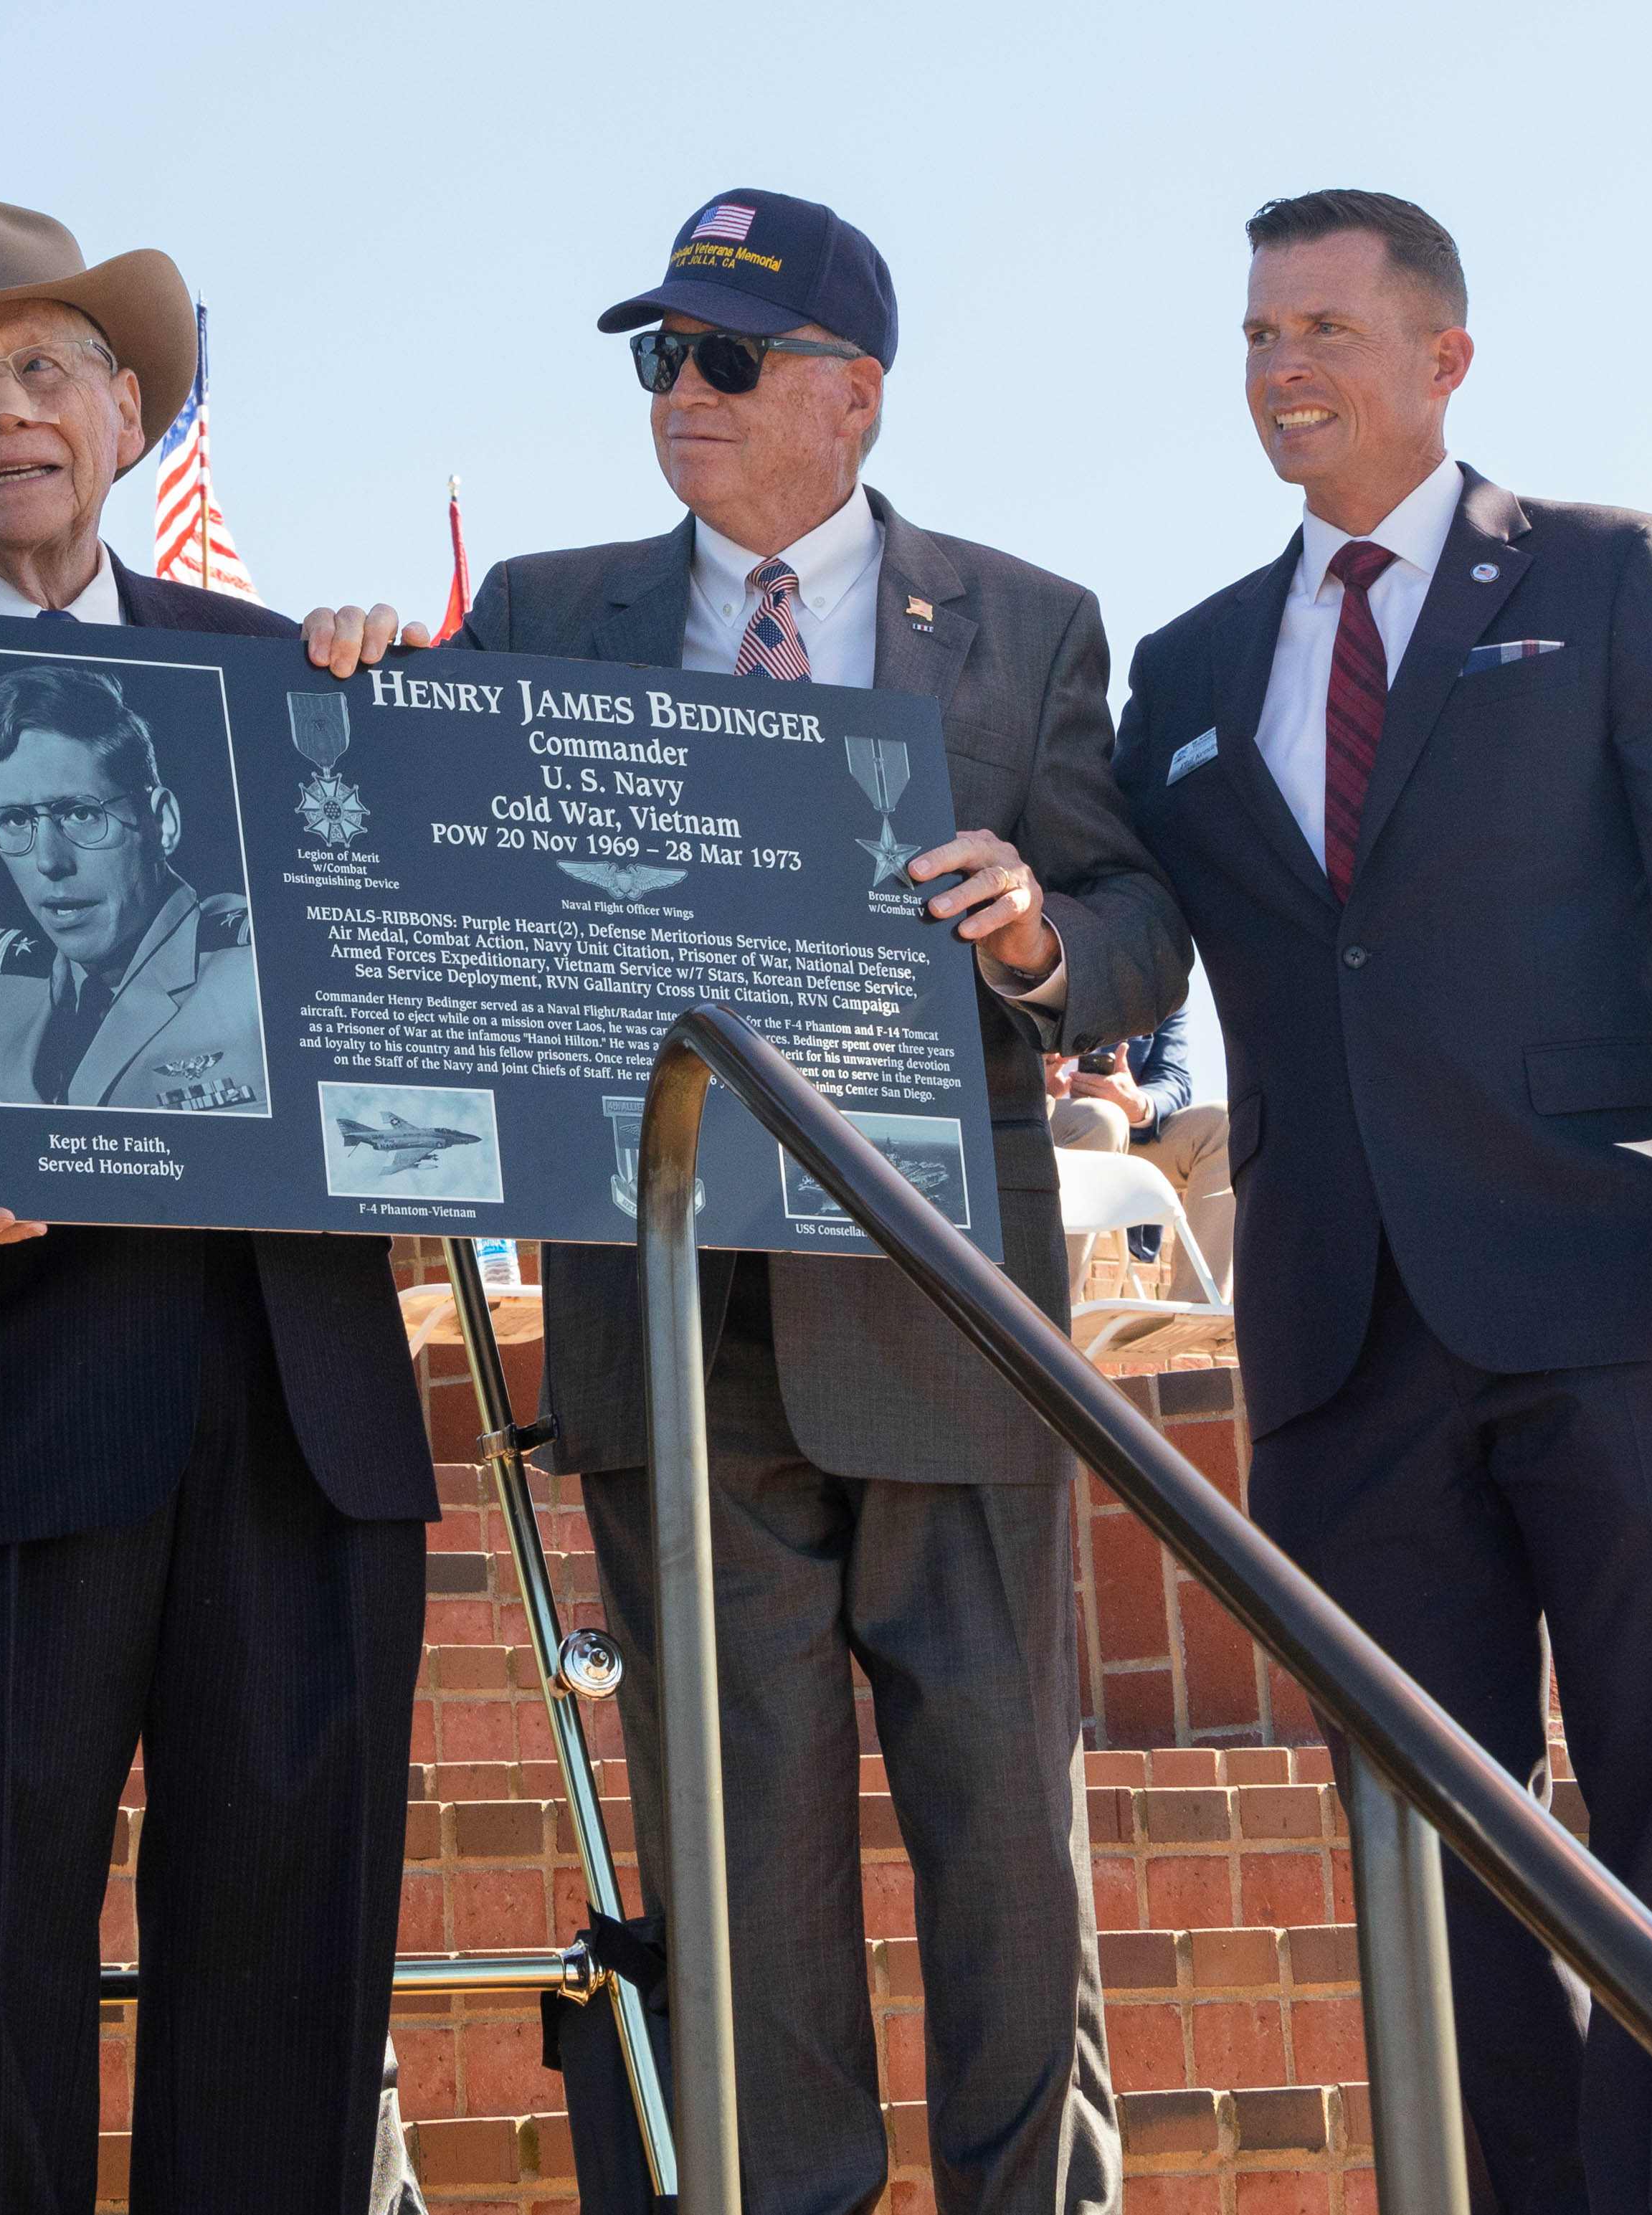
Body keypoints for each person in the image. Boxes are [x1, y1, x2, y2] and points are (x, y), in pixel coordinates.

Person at [313, 189, 1190, 2215]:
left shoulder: (1028, 623)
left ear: (848, 394)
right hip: (670, 1332)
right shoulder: (538, 612)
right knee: (737, 1870)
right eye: (658, 356)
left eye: (722, 357)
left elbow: (1141, 926)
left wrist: (1039, 936)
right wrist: (355, 683)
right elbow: (398, 856)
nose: (676, 394)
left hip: (947, 1325)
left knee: (1007, 1850)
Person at [0, 197, 436, 2215]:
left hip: (299, 1424)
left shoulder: (293, 675)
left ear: (129, 416)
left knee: (291, 2008)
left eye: (44, 367)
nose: (3, 409)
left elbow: (420, 994)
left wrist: (416, 739)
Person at [1113, 189, 1652, 2215]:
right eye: (1256, 336)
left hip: (1615, 1287)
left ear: (1443, 359)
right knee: (1436, 1840)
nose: (1280, 369)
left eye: (1322, 330)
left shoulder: (1600, 574)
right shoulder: (1185, 664)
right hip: (1339, 1336)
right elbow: (1130, 931)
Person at [0, 662, 267, 1110]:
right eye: (15, 820)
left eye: (80, 813)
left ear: (161, 823)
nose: (49, 861)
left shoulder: (255, 978)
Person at [1047, 1009, 1233, 1299]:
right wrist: (1037, 1080)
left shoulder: (1159, 987)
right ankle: (1054, 1308)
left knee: (1224, 1124)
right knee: (1102, 1119)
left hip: (1129, 1133)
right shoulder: (1018, 981)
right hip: (1042, 1125)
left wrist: (1138, 1105)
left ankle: (1196, 1307)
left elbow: (1173, 1078)